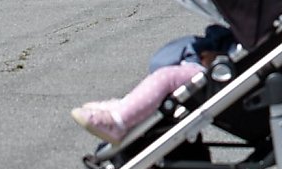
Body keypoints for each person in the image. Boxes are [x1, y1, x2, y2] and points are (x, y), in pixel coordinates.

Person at [70, 25, 233, 143]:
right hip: (227, 59)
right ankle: (127, 106)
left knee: (167, 77)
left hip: (223, 67)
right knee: (165, 75)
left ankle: (119, 121)